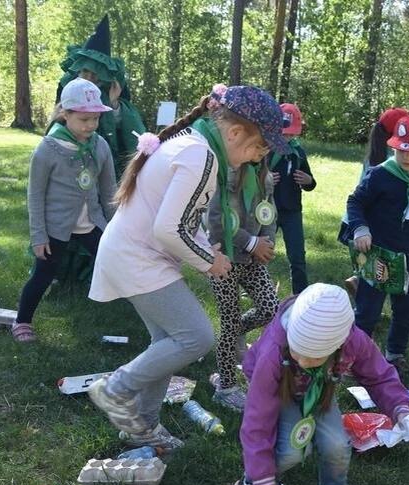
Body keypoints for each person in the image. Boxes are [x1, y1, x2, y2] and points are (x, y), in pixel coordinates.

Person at [86, 84, 289, 449]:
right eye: (260, 146)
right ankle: (116, 389)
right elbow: (168, 229)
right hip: (139, 260)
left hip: (138, 256)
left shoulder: (197, 148)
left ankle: (141, 427)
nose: (260, 156)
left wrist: (204, 246)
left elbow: (180, 217)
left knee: (167, 340)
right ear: (234, 132)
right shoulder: (202, 157)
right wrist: (211, 261)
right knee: (196, 337)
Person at [233, 284, 409, 485]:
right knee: (291, 452)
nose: (303, 360)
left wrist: (402, 410)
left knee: (337, 444)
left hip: (319, 392)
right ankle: (251, 482)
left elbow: (379, 376)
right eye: (296, 352)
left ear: (338, 346)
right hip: (280, 392)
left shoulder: (353, 341)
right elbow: (257, 419)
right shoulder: (273, 353)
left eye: (314, 356)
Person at [12, 78, 117, 343]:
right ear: (65, 114)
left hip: (92, 223)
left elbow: (109, 191)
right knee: (44, 273)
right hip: (56, 227)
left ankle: (144, 312)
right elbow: (35, 195)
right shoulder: (47, 149)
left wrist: (116, 228)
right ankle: (22, 320)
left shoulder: (100, 146)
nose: (91, 126)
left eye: (95, 119)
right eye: (84, 119)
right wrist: (39, 236)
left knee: (118, 262)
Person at [345, 114, 409, 370]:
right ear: (393, 146)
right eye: (401, 150)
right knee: (368, 310)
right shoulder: (380, 175)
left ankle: (395, 354)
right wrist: (360, 229)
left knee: (407, 309)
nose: (407, 157)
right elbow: (355, 202)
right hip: (378, 255)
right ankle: (354, 359)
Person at [206, 156, 279, 413]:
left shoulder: (265, 176)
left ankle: (237, 333)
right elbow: (215, 220)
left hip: (253, 260)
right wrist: (251, 243)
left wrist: (267, 243)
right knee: (229, 322)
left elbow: (269, 214)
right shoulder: (225, 175)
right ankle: (225, 387)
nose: (262, 150)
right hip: (223, 259)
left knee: (270, 308)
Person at [55, 15, 145, 178]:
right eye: (85, 71)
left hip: (106, 160)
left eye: (95, 73)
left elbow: (128, 133)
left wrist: (114, 104)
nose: (89, 77)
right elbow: (58, 123)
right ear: (79, 70)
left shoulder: (113, 91)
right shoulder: (68, 88)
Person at [343, 107, 409, 300]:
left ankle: (360, 287)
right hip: (368, 220)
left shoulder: (376, 153)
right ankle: (363, 300)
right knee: (378, 266)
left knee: (370, 264)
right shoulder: (392, 159)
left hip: (359, 219)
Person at [268, 103, 316, 294]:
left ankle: (300, 294)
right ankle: (257, 287)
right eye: (283, 134)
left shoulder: (298, 152)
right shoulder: (266, 150)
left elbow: (310, 183)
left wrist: (308, 180)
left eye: (291, 135)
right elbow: (251, 179)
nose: (287, 138)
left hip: (292, 211)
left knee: (297, 256)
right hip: (267, 209)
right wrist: (265, 179)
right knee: (262, 251)